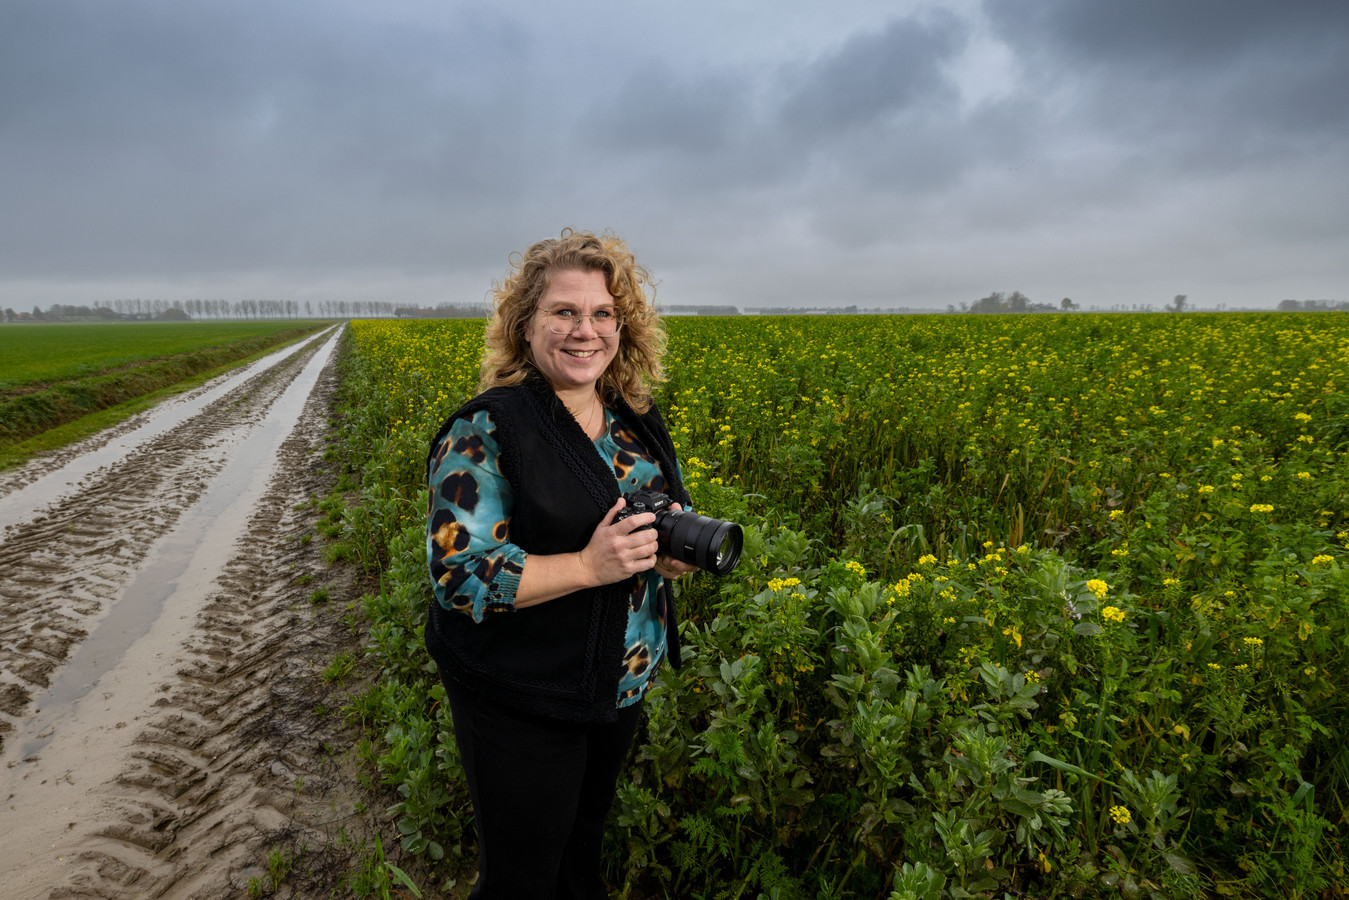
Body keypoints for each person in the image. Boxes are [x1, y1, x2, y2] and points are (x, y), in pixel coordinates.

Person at [424, 228, 696, 898]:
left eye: (603, 313)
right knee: (522, 878)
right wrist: (587, 564)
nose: (586, 331)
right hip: (523, 692)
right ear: (524, 325)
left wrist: (666, 553)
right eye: (564, 312)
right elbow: (460, 577)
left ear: (623, 326)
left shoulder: (630, 413)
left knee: (581, 852)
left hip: (615, 685)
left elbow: (653, 512)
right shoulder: (488, 429)